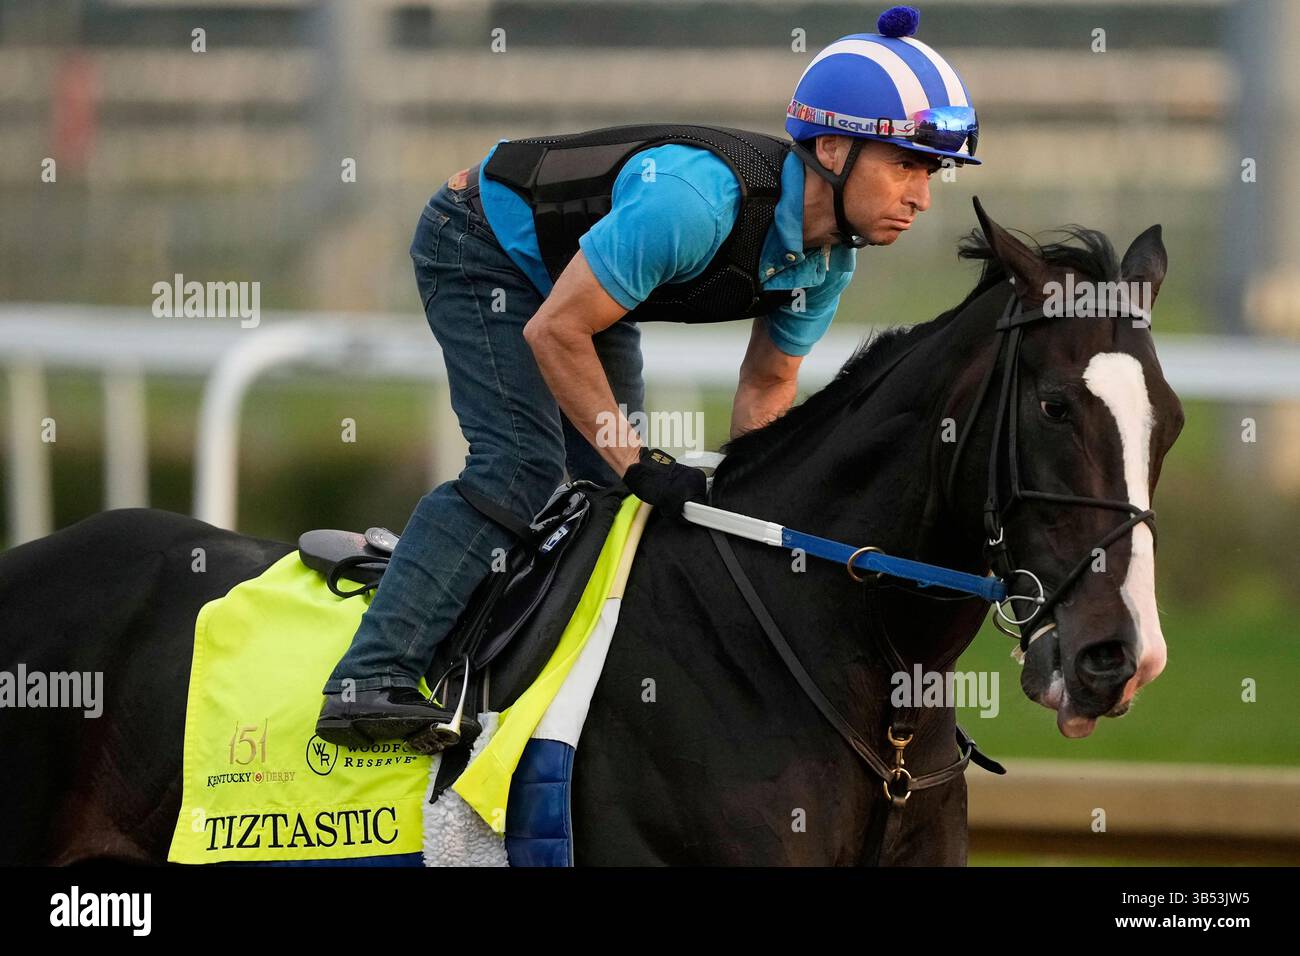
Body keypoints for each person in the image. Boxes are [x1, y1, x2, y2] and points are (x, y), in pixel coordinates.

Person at [315, 4, 981, 751]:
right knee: (522, 471)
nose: (923, 195)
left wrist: (749, 507)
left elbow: (765, 391)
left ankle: (516, 668)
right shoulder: (696, 205)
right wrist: (638, 461)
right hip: (483, 245)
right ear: (832, 147)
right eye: (907, 165)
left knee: (593, 495)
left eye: (932, 171)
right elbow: (554, 330)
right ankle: (370, 676)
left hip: (582, 287)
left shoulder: (830, 261)